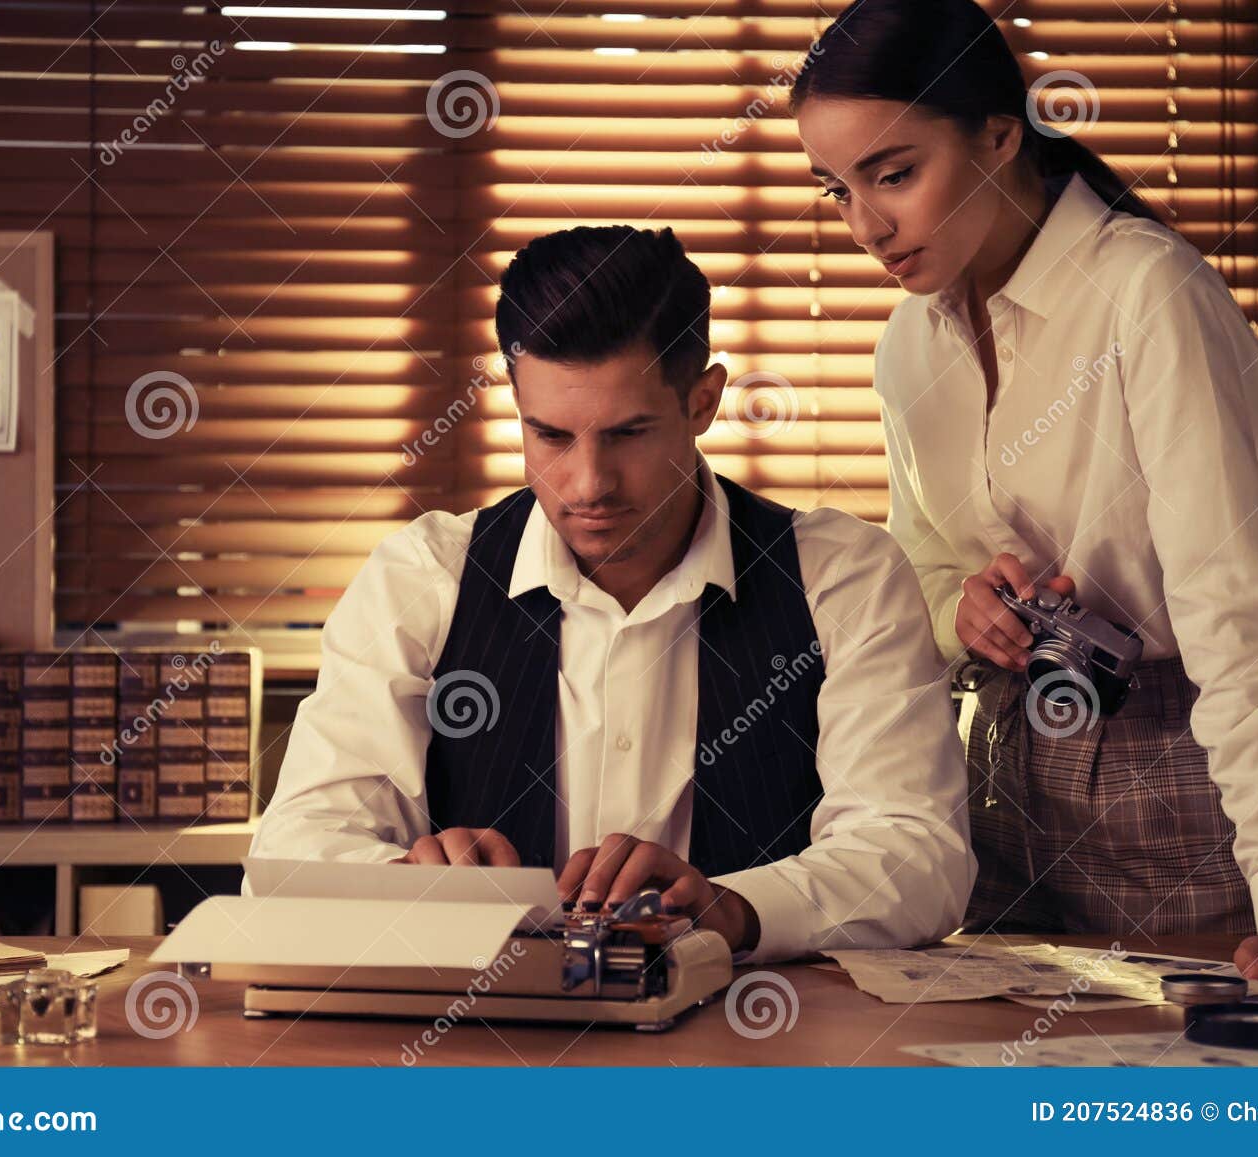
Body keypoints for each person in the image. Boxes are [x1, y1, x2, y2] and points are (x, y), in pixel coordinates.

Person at [790, 0, 1258, 990]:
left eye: (894, 174)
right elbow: (916, 564)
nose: (866, 225)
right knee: (979, 1090)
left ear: (997, 136)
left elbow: (1237, 621)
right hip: (995, 764)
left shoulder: (1147, 293)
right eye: (836, 190)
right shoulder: (908, 343)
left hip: (1170, 771)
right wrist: (962, 605)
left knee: (1183, 1099)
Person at [249, 224, 975, 963]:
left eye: (629, 433)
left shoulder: (845, 577)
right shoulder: (420, 578)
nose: (588, 484)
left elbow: (919, 854)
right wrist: (410, 883)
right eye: (552, 435)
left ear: (704, 401)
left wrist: (735, 907)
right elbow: (295, 852)